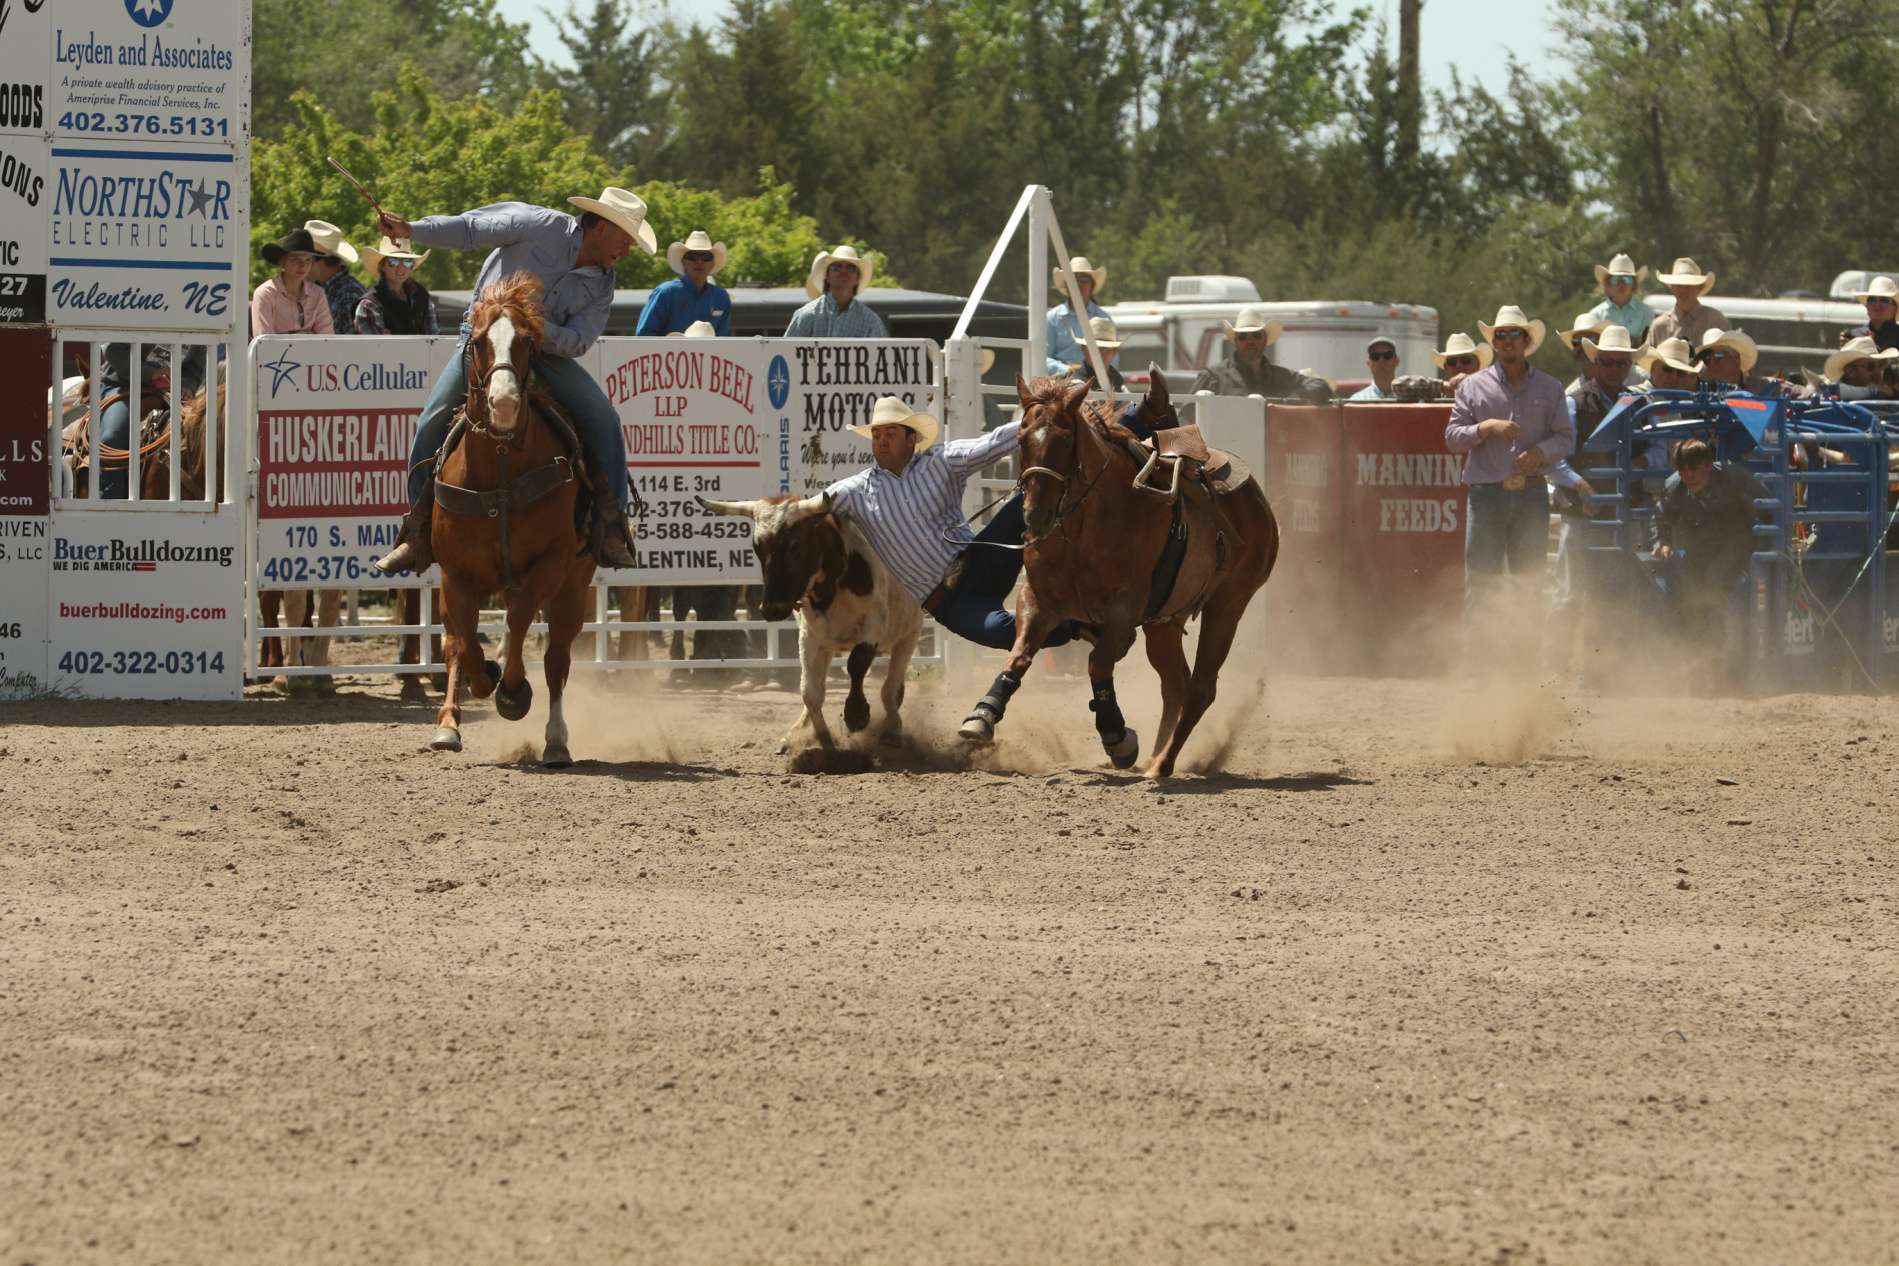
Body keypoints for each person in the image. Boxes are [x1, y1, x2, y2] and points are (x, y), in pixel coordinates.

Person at [371, 187, 654, 574]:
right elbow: (471, 228)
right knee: (433, 419)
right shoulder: (539, 225)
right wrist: (412, 229)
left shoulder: (603, 282)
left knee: (605, 419)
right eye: (625, 239)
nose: (626, 249)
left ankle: (611, 523)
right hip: (486, 343)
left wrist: (534, 327)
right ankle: (417, 529)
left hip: (542, 354)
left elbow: (580, 340)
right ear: (602, 227)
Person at [823, 395, 1081, 653]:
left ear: (912, 439)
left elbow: (991, 443)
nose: (881, 441)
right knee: (1000, 631)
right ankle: (1077, 627)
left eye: (890, 434)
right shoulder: (853, 492)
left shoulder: (940, 461)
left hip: (979, 558)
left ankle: (1096, 552)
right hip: (948, 601)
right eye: (877, 435)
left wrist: (1046, 419)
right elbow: (804, 514)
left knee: (1032, 500)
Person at [1443, 305, 1573, 641]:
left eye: (1514, 334)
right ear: (1494, 342)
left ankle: (1523, 670)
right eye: (1500, 335)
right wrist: (1486, 427)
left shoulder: (1550, 388)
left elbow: (1565, 438)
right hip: (1487, 495)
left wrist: (1540, 453)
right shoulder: (1472, 387)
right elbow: (1452, 439)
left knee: (1528, 586)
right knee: (1482, 585)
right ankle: (1481, 672)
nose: (1507, 340)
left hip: (1529, 492)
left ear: (1526, 340)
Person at [1655, 438, 1770, 655]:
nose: (1689, 476)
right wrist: (1664, 541)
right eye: (1683, 470)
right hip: (1701, 547)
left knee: (1715, 578)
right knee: (1686, 581)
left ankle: (1718, 641)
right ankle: (1696, 642)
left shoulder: (1734, 479)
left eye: (1694, 469)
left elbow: (1766, 506)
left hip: (1738, 543)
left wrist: (1767, 543)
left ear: (1708, 465)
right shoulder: (1674, 487)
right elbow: (1662, 517)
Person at [1191, 307, 1331, 401]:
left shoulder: (1281, 377)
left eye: (1256, 335)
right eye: (1243, 336)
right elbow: (1186, 418)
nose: (1250, 341)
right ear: (1235, 341)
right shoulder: (1213, 376)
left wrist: (1297, 394)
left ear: (1265, 340)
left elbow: (1322, 387)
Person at [638, 230, 732, 335]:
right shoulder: (665, 293)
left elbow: (722, 339)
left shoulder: (721, 297)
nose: (699, 262)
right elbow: (644, 335)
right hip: (669, 351)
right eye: (692, 256)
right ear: (683, 261)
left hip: (709, 352)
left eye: (706, 257)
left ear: (712, 263)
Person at [249, 227, 335, 338]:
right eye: (295, 259)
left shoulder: (317, 294)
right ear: (282, 262)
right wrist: (308, 334)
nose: (302, 265)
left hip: (313, 355)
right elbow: (264, 342)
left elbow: (327, 338)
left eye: (307, 260)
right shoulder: (266, 294)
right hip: (276, 355)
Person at [784, 244, 885, 337]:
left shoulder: (871, 322)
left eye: (851, 268)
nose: (843, 271)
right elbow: (786, 352)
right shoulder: (806, 315)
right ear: (826, 276)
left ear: (857, 278)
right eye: (836, 267)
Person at [352, 236, 439, 336]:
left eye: (407, 261)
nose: (401, 268)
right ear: (382, 266)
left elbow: (435, 340)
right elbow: (373, 348)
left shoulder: (422, 297)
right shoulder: (369, 304)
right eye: (393, 261)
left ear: (411, 267)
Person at [1643, 257, 1727, 351]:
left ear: (1699, 288)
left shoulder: (1716, 321)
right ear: (1672, 288)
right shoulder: (1659, 326)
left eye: (1689, 286)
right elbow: (1648, 361)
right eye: (1679, 285)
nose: (1683, 290)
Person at [1045, 255, 1109, 374]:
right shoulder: (1053, 317)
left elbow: (1112, 357)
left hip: (1096, 379)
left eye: (1084, 280)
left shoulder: (1103, 317)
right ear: (1067, 286)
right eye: (1073, 280)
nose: (1078, 284)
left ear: (1092, 285)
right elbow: (1043, 357)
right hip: (1061, 382)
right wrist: (1067, 370)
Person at [306, 220, 366, 336]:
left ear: (316, 259)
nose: (301, 265)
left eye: (304, 258)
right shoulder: (315, 288)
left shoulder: (350, 294)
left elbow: (355, 347)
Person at [1588, 253, 1652, 342]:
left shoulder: (1646, 313)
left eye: (1627, 279)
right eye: (1615, 280)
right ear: (1608, 284)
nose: (1621, 284)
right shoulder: (1595, 315)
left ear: (1633, 284)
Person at [1696, 328, 1772, 394]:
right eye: (1707, 359)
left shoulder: (1765, 387)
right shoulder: (1699, 391)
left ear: (1736, 357)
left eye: (1718, 356)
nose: (1712, 363)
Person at [1822, 334, 1899, 400]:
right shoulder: (1831, 393)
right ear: (1850, 371)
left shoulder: (1887, 396)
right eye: (1870, 366)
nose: (1878, 372)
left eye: (1880, 365)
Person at [1066, 316, 1126, 393]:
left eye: (1104, 348)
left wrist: (1136, 404)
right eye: (1094, 348)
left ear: (1114, 352)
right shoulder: (1077, 382)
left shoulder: (1117, 379)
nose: (1099, 353)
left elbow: (1131, 404)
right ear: (1083, 349)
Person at [1555, 313, 1605, 390]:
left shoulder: (1625, 379)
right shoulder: (1570, 394)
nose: (1583, 347)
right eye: (1576, 342)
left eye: (1590, 340)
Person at [1851, 275, 1899, 353]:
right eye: (1872, 300)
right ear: (1867, 306)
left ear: (1895, 307)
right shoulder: (1855, 336)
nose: (1877, 305)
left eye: (1884, 300)